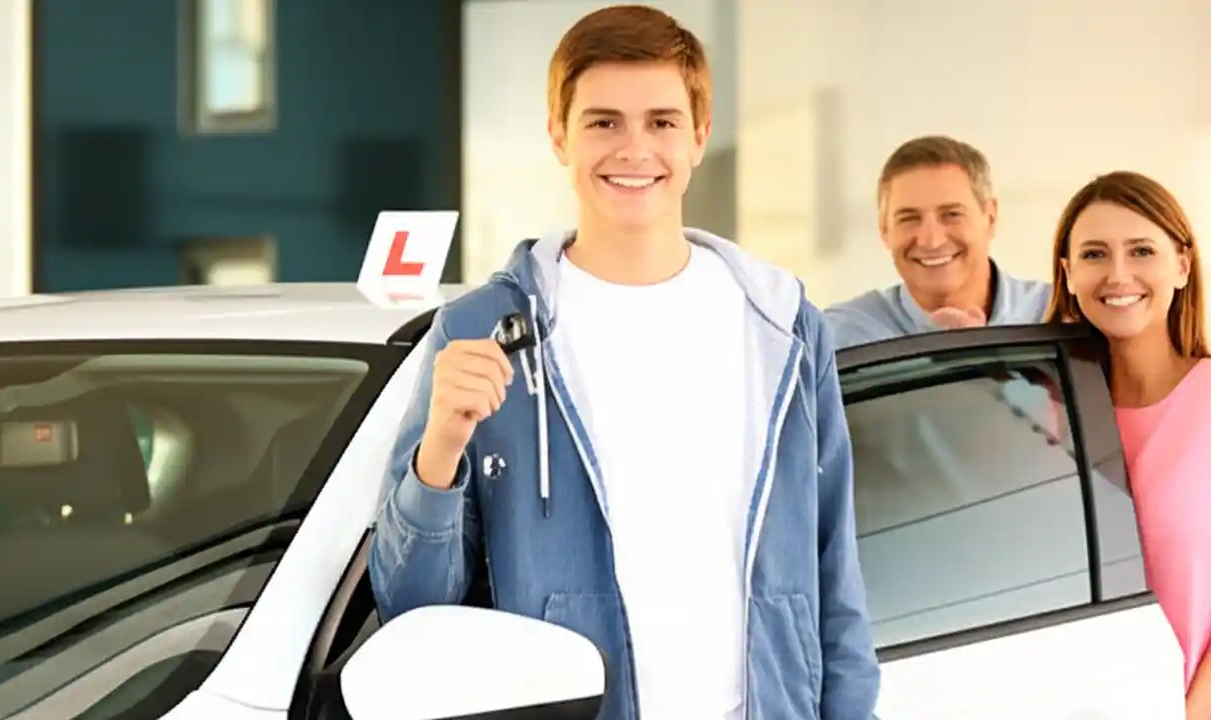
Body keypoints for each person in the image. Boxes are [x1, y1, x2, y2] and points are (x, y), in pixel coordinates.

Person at [368, 4, 879, 719]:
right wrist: (441, 450)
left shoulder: (784, 326)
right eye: (603, 122)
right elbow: (411, 606)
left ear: (699, 136)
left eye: (662, 122)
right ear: (559, 136)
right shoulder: (480, 329)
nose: (634, 149)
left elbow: (836, 577)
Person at [1044, 170, 1211, 719]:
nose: (1118, 275)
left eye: (1141, 250)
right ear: (1068, 274)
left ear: (1182, 266)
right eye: (1094, 255)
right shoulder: (1046, 412)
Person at [825, 135, 1051, 349]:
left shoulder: (1055, 313)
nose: (931, 241)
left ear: (990, 217)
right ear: (884, 230)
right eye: (909, 218)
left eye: (951, 214)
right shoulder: (840, 337)